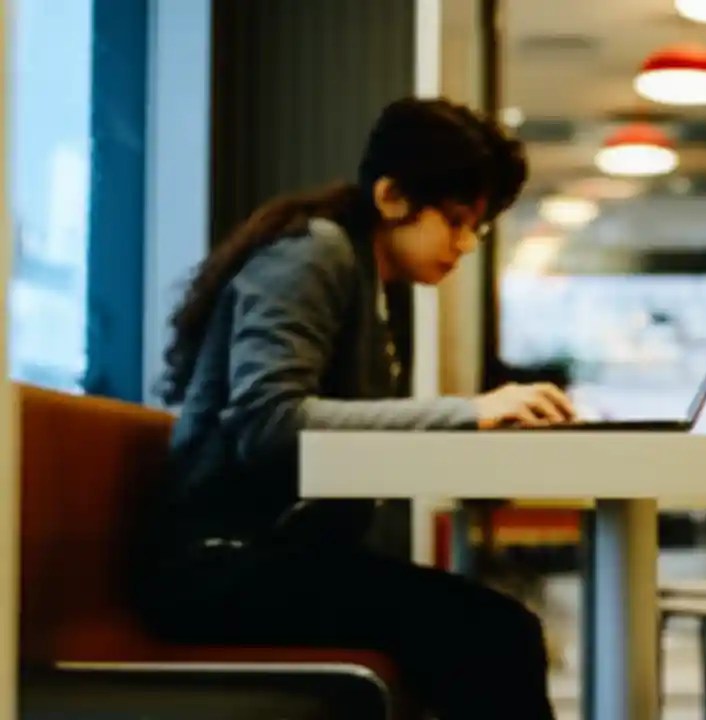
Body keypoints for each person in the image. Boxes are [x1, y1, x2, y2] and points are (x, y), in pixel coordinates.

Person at [132, 97, 574, 720]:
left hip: (277, 559)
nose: (466, 244)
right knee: (497, 635)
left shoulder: (373, 279)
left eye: (476, 227)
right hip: (217, 567)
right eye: (455, 219)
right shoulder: (314, 253)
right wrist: (466, 413)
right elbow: (269, 423)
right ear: (392, 197)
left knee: (489, 631)